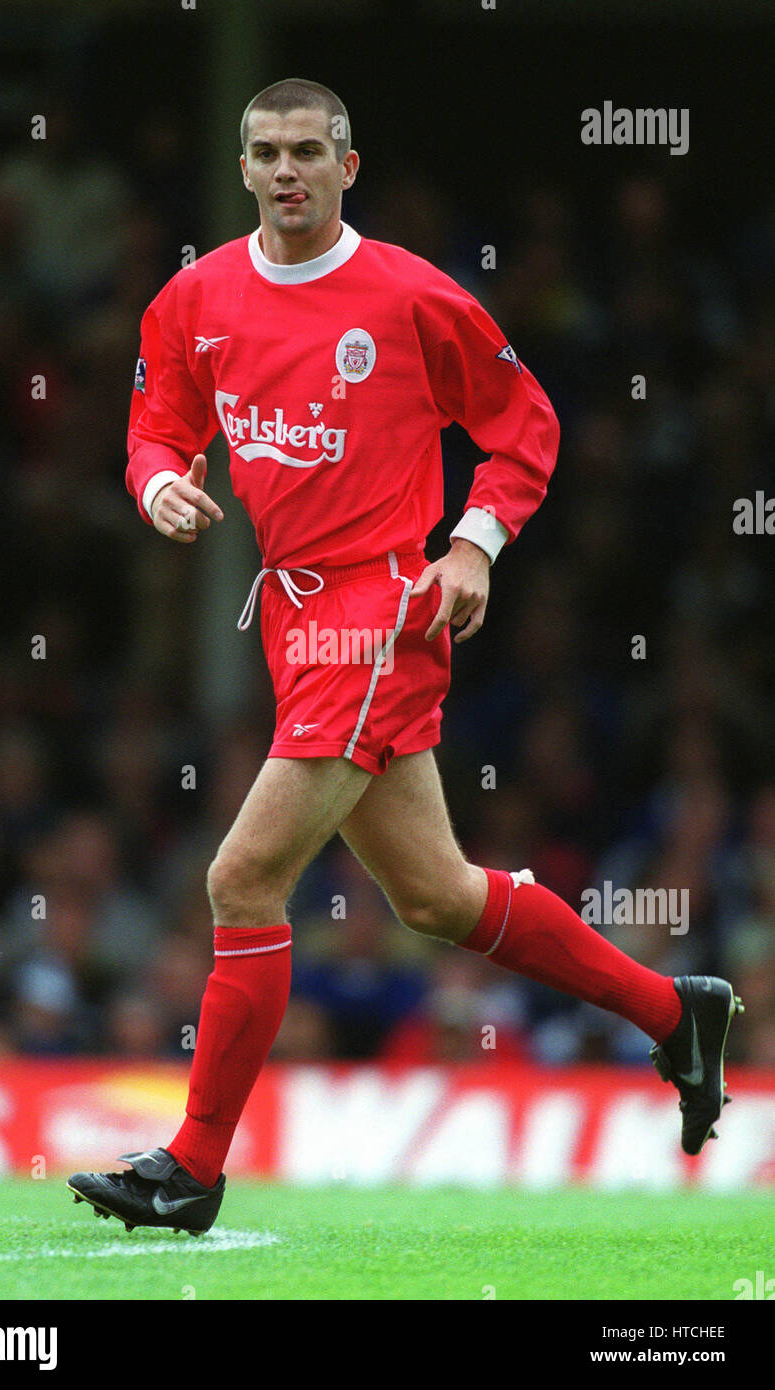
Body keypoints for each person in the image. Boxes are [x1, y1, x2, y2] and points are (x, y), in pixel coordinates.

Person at [68, 79, 741, 1235]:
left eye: (307, 153)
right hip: (289, 616)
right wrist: (159, 484)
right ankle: (673, 1012)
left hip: (379, 614)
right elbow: (155, 424)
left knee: (240, 879)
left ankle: (191, 1165)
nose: (286, 172)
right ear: (242, 169)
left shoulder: (412, 298)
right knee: (434, 895)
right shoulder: (193, 299)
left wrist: (473, 543)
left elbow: (524, 423)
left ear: (348, 165)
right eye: (266, 153)